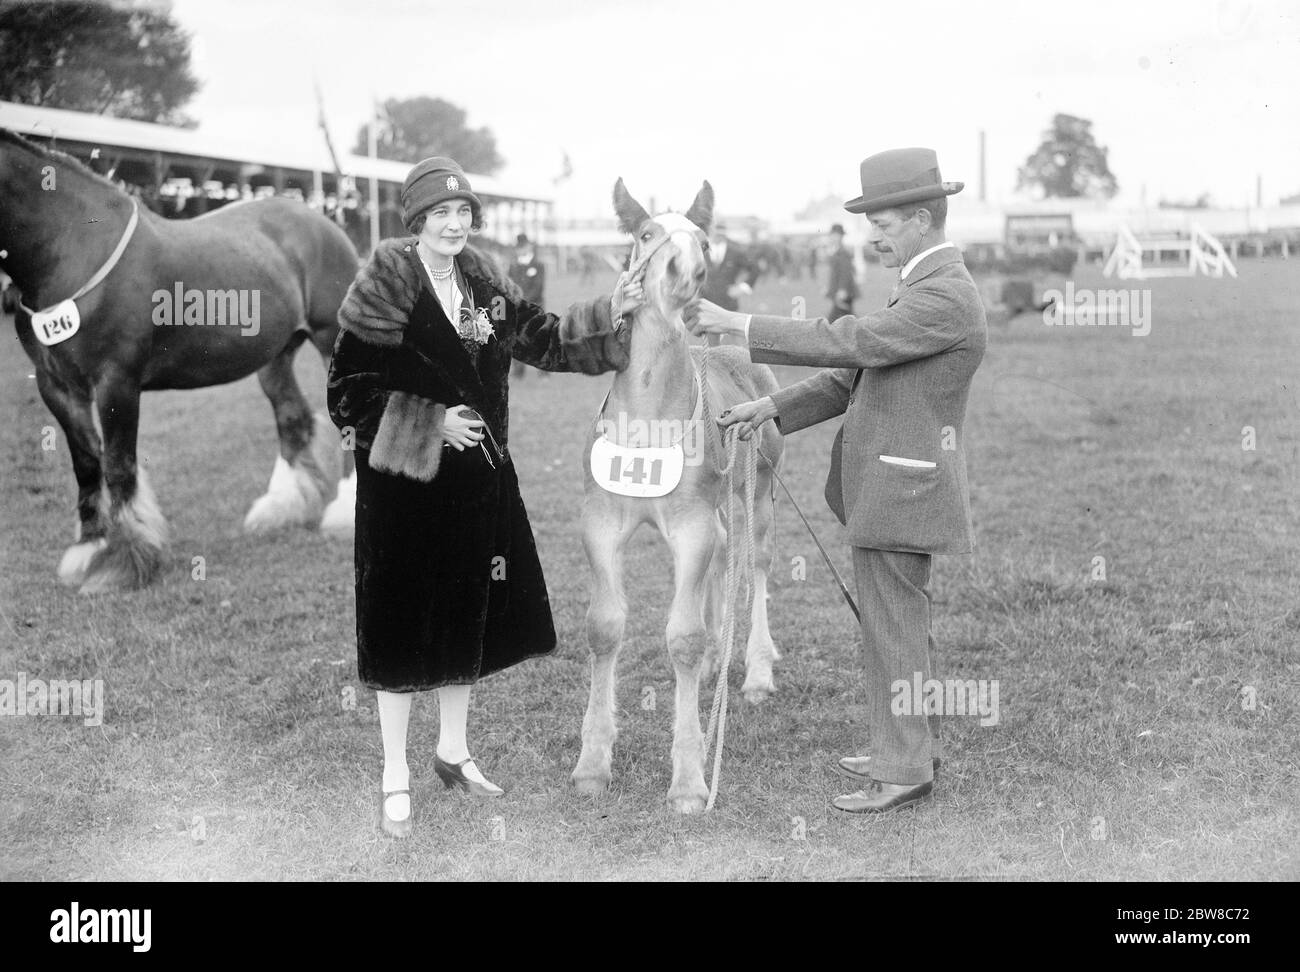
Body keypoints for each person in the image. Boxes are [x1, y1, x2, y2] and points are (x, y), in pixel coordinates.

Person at [327, 156, 639, 838]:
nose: (454, 224)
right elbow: (346, 391)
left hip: (477, 487)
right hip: (405, 491)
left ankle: (453, 753)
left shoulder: (484, 281)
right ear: (416, 222)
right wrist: (430, 421)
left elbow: (546, 337)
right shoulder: (385, 283)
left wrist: (612, 316)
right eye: (440, 214)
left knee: (465, 620)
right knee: (402, 632)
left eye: (464, 213)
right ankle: (394, 774)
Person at [685, 148, 986, 814]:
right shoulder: (924, 285)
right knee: (892, 625)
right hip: (892, 487)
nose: (872, 236)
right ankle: (901, 748)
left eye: (884, 222)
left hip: (902, 490)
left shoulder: (944, 293)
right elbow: (858, 372)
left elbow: (850, 342)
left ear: (923, 217)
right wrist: (773, 408)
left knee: (895, 628)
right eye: (867, 222)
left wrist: (739, 325)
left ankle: (904, 767)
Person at [508, 233, 548, 378]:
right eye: (518, 247)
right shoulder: (513, 266)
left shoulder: (539, 265)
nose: (521, 250)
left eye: (523, 246)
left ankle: (544, 372)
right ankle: (518, 372)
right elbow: (509, 285)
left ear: (529, 246)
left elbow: (538, 287)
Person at [825, 222, 859, 319]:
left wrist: (842, 289)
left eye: (837, 235)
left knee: (834, 320)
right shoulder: (836, 251)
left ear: (841, 237)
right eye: (832, 235)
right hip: (839, 290)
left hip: (844, 291)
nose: (833, 238)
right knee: (848, 318)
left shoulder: (843, 253)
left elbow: (846, 273)